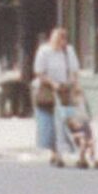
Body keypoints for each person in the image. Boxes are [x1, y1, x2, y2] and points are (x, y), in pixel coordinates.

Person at [32, 27, 81, 167]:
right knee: (50, 121)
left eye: (62, 41)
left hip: (65, 89)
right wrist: (52, 83)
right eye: (56, 41)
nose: (59, 44)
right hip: (49, 89)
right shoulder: (44, 51)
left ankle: (74, 148)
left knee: (69, 119)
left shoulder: (68, 51)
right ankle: (54, 151)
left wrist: (75, 85)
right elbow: (39, 72)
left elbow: (74, 70)